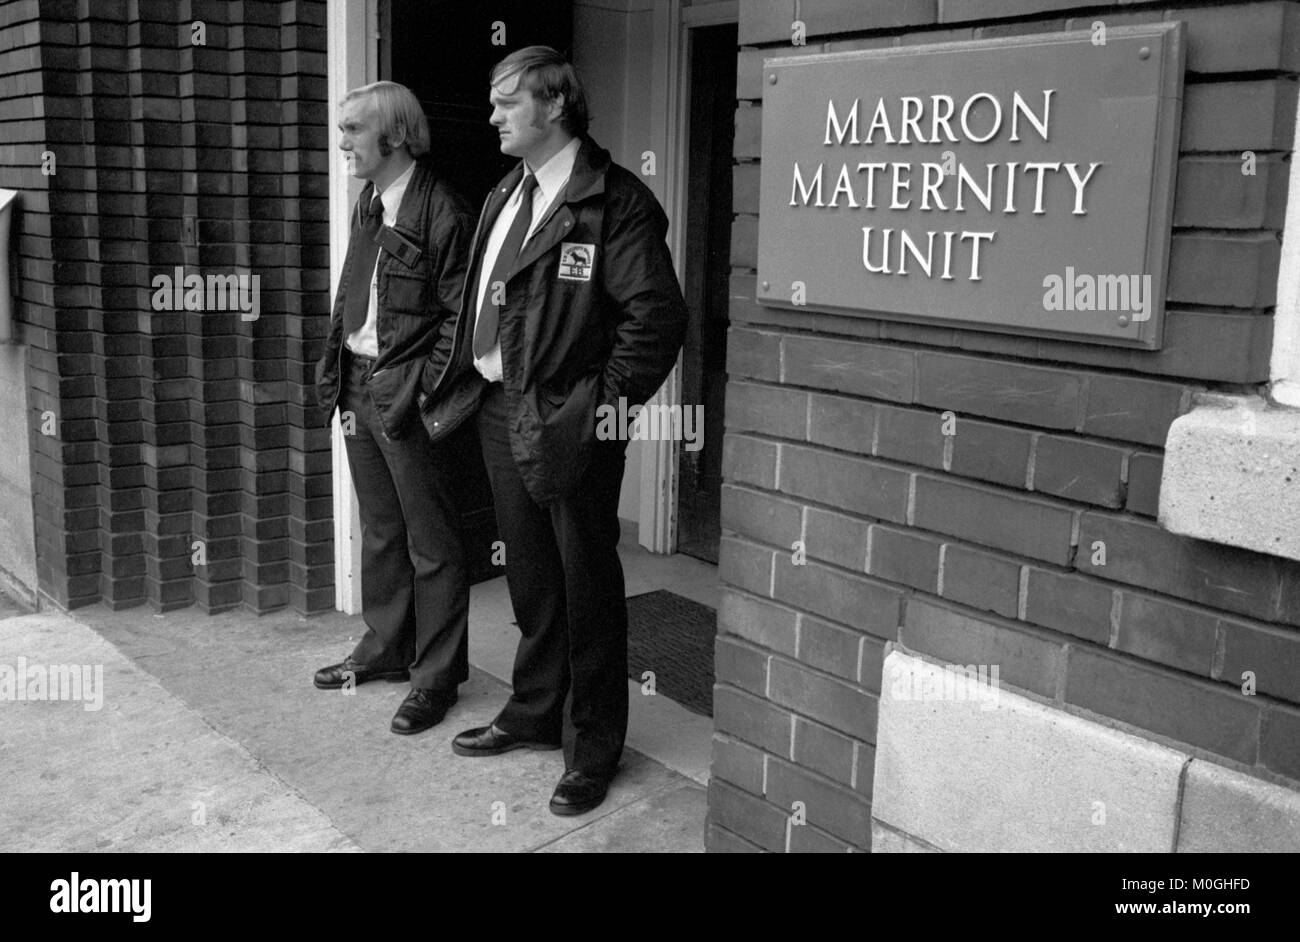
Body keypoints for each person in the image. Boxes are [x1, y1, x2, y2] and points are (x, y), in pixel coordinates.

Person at [421, 47, 688, 815]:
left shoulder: (615, 201)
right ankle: (537, 711)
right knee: (533, 579)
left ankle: (592, 746)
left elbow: (657, 317)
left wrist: (600, 410)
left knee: (587, 586)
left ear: (555, 106)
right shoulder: (510, 190)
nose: (495, 115)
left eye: (509, 102)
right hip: (503, 410)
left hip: (573, 422)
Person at [313, 81, 476, 736]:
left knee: (432, 542)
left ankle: (435, 679)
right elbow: (360, 294)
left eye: (353, 129)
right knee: (381, 529)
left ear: (396, 135)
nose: (343, 140)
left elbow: (461, 321)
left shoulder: (445, 212)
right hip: (358, 385)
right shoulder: (369, 202)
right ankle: (385, 647)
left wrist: (425, 389)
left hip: (405, 396)